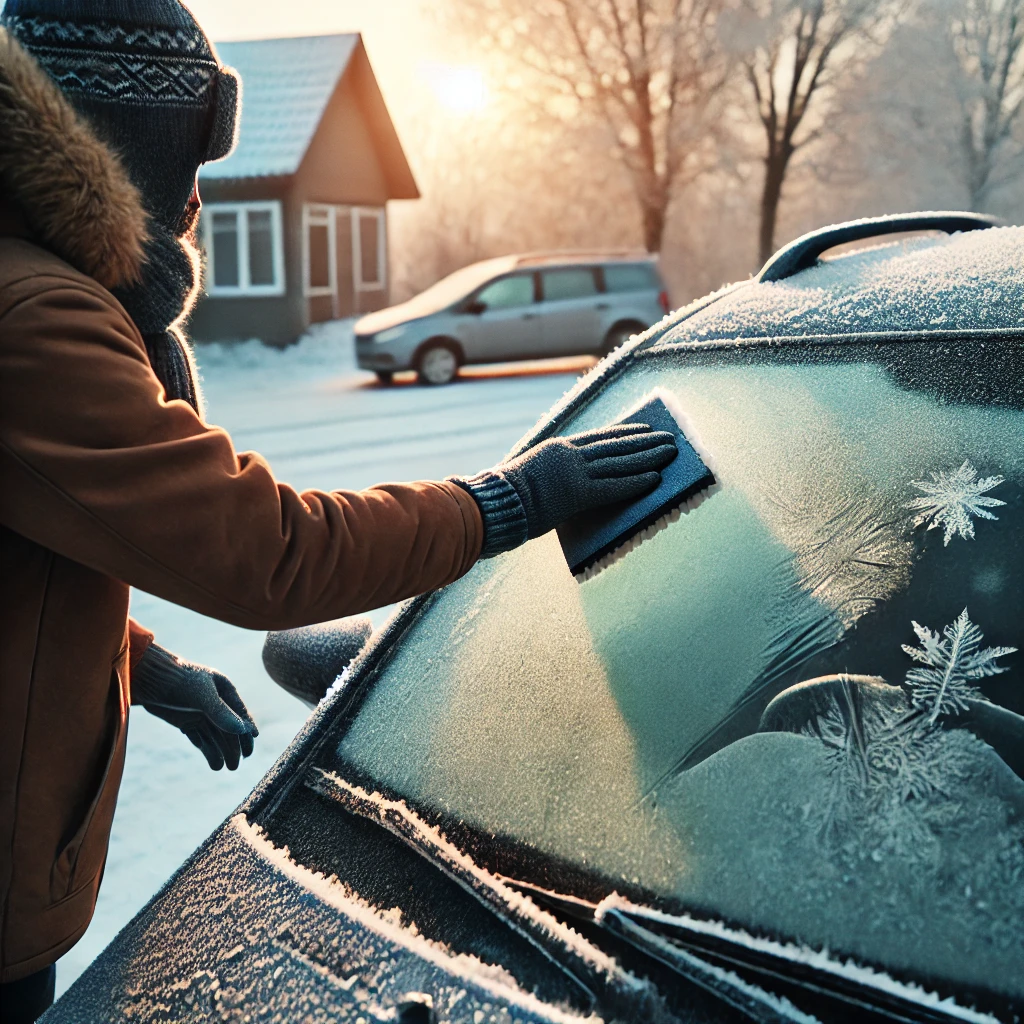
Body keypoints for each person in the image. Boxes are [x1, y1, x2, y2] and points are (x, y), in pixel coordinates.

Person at [0, 1, 676, 1017]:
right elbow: (272, 552)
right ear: (119, 153)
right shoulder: (34, 316)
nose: (196, 201)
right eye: (190, 161)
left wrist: (138, 664)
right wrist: (508, 499)